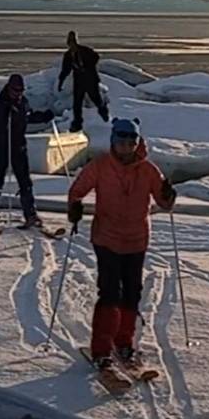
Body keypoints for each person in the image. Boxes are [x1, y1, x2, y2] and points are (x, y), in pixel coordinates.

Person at [67, 118, 176, 376]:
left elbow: (164, 203)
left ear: (137, 143)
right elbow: (77, 190)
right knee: (109, 293)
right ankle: (102, 350)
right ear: (113, 141)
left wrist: (169, 195)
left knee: (132, 293)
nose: (126, 147)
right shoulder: (101, 166)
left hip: (136, 240)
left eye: (131, 142)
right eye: (121, 142)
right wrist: (75, 207)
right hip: (106, 238)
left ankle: (124, 343)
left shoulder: (148, 170)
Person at [0, 73, 40, 225]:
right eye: (15, 90)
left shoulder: (23, 102)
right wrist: (9, 112)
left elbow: (28, 115)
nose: (18, 93)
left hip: (18, 147)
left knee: (25, 181)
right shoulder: (0, 103)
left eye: (21, 90)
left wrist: (44, 116)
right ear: (9, 88)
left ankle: (30, 214)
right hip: (0, 147)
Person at [57, 30, 108, 132]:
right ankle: (77, 123)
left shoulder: (85, 50)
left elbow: (96, 56)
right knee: (77, 103)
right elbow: (65, 70)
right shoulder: (68, 56)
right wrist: (60, 82)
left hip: (90, 79)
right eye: (70, 43)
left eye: (73, 42)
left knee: (96, 99)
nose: (72, 45)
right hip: (79, 81)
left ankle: (104, 112)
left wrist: (88, 66)